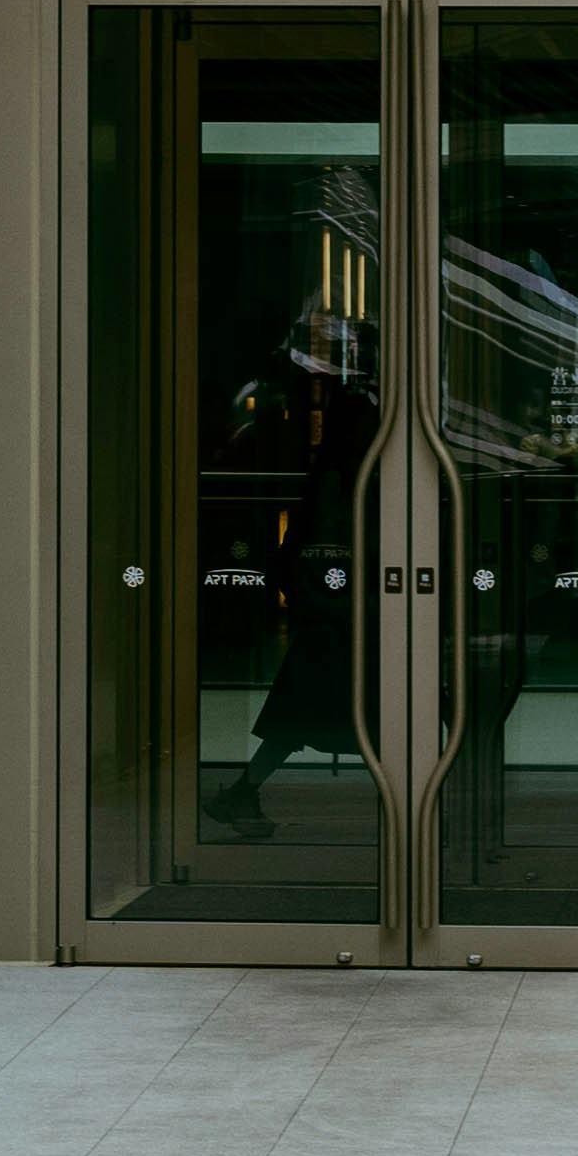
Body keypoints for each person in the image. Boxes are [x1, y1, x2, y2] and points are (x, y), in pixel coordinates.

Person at [202, 303, 380, 843]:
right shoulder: (356, 441)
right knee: (372, 704)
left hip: (335, 601)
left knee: (314, 706)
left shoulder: (344, 435)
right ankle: (415, 808)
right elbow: (337, 517)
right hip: (346, 600)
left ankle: (243, 792)